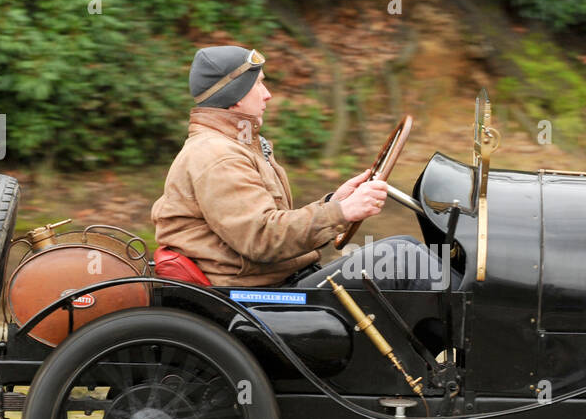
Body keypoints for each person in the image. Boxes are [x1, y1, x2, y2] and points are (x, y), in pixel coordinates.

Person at [152, 45, 454, 290]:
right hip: (258, 294)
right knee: (402, 258)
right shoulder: (218, 156)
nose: (267, 94)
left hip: (273, 279)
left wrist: (334, 203)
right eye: (259, 84)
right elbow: (262, 238)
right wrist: (343, 213)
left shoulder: (234, 144)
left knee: (403, 250)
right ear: (234, 97)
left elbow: (268, 223)